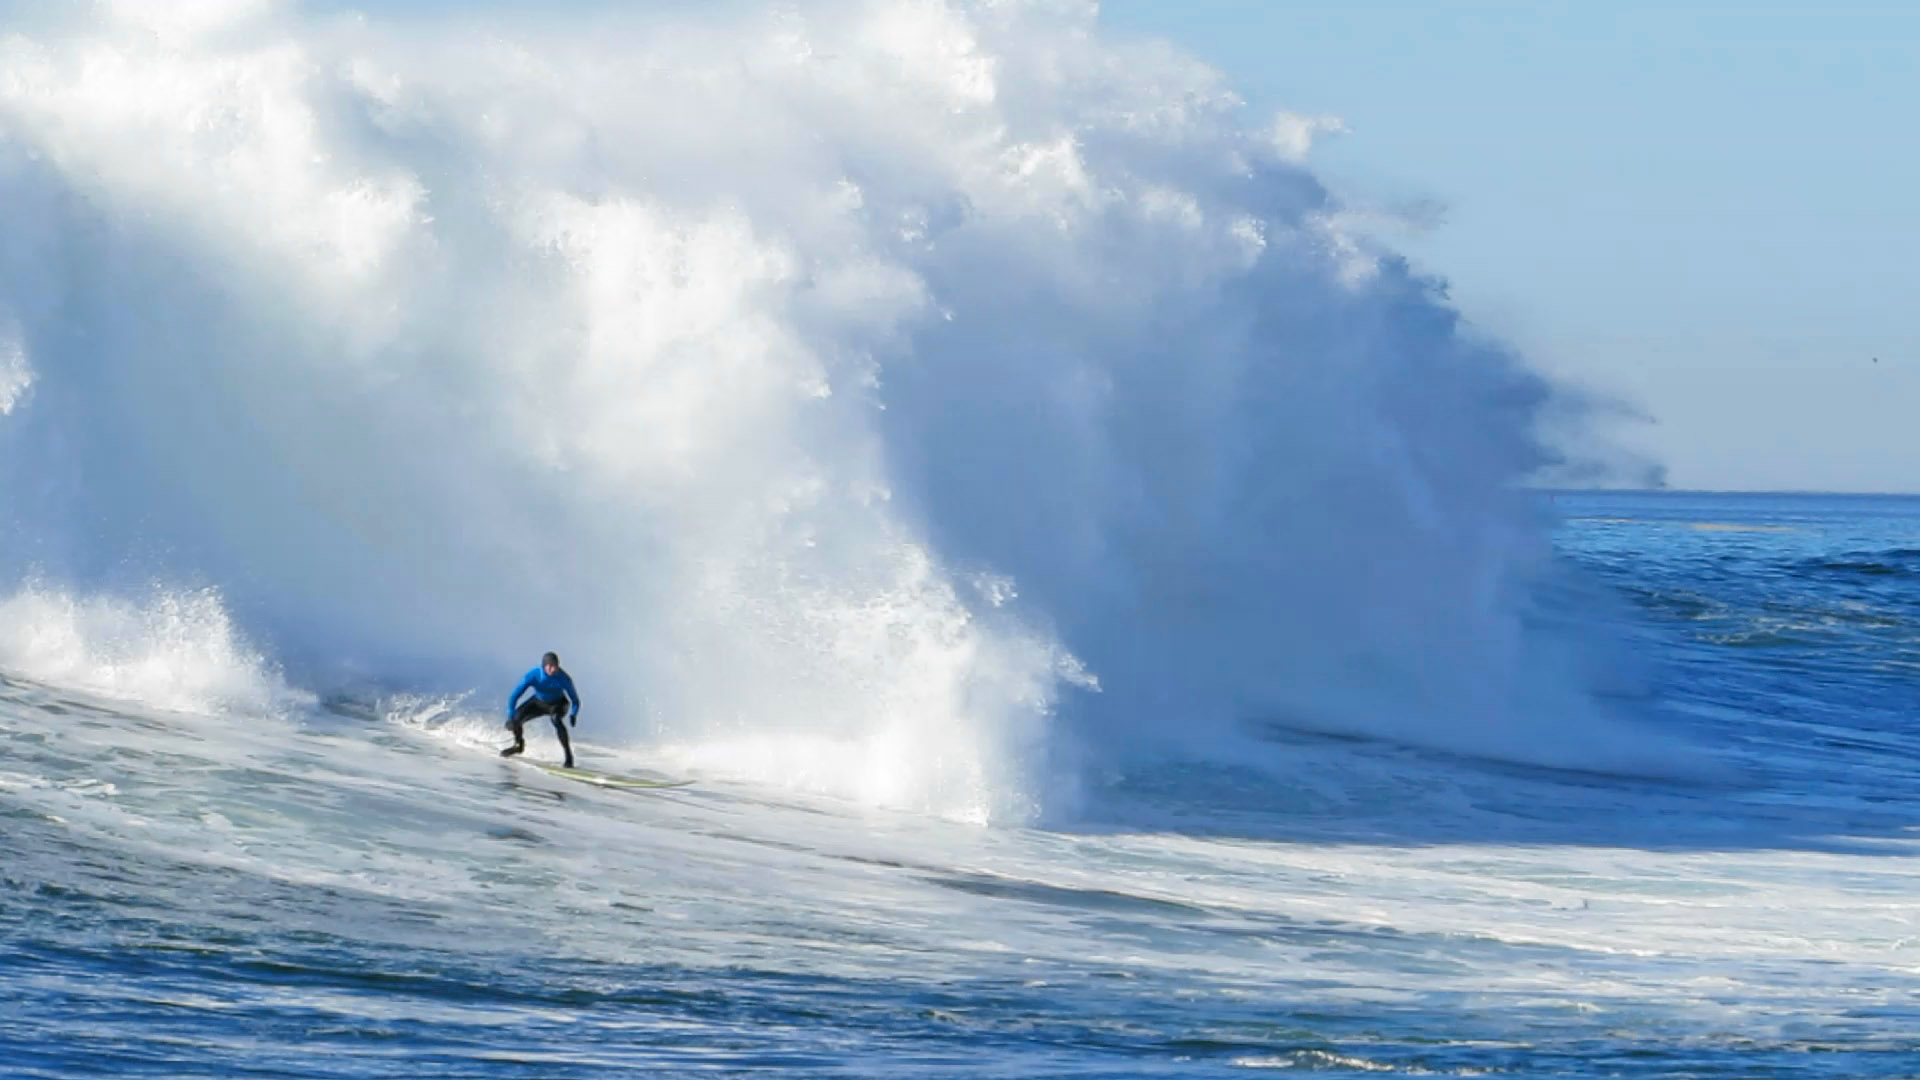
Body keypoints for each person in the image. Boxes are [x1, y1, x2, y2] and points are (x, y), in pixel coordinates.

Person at [503, 651, 581, 768]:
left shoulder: (564, 678)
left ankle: (568, 757)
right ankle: (518, 746)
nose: (553, 669)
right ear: (544, 666)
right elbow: (514, 696)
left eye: (555, 666)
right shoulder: (533, 675)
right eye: (550, 666)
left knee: (556, 720)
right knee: (515, 720)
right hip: (538, 703)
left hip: (558, 704)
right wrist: (510, 716)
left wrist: (573, 714)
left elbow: (575, 701)